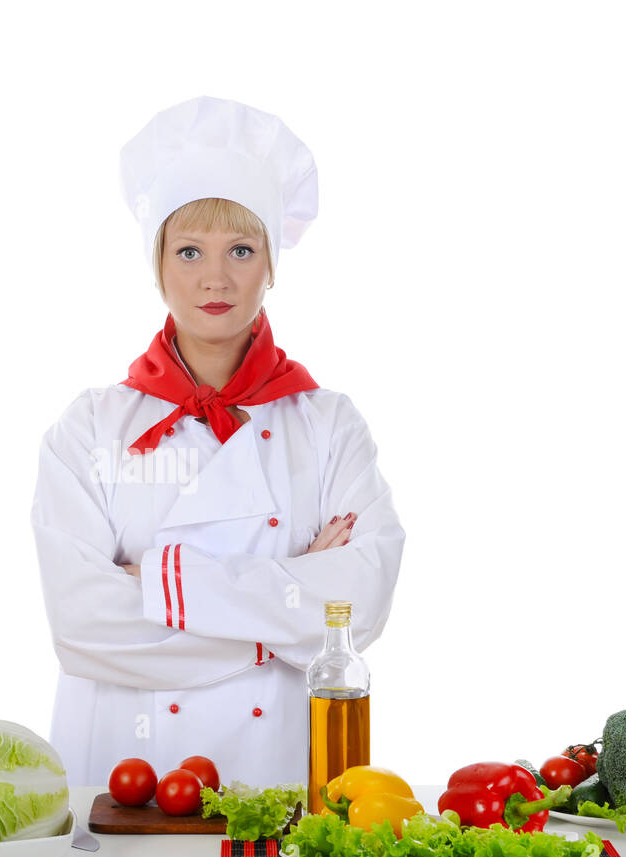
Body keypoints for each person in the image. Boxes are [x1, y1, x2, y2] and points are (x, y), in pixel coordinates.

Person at [31, 96, 405, 788]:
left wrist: (156, 584)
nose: (215, 277)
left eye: (241, 249)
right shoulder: (87, 428)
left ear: (270, 263)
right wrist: (280, 626)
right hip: (125, 774)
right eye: (189, 250)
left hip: (278, 775)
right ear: (157, 263)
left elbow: (362, 599)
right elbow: (81, 623)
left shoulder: (329, 425)